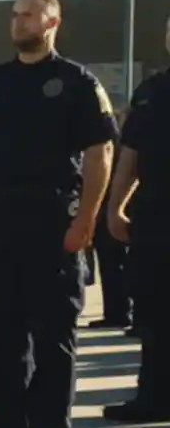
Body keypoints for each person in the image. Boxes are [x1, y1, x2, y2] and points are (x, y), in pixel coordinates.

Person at [0, 0, 117, 428]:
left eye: (29, 15)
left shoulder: (76, 82)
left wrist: (86, 220)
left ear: (52, 22)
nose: (19, 22)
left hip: (51, 221)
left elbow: (100, 153)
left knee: (52, 332)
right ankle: (5, 426)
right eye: (15, 14)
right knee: (1, 331)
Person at [103, 16, 170, 423]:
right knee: (153, 309)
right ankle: (154, 397)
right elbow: (130, 155)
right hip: (155, 213)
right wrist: (115, 206)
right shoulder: (151, 92)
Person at [89, 140, 133, 330]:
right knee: (111, 260)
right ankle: (117, 311)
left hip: (110, 199)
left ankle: (120, 311)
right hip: (111, 198)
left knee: (113, 258)